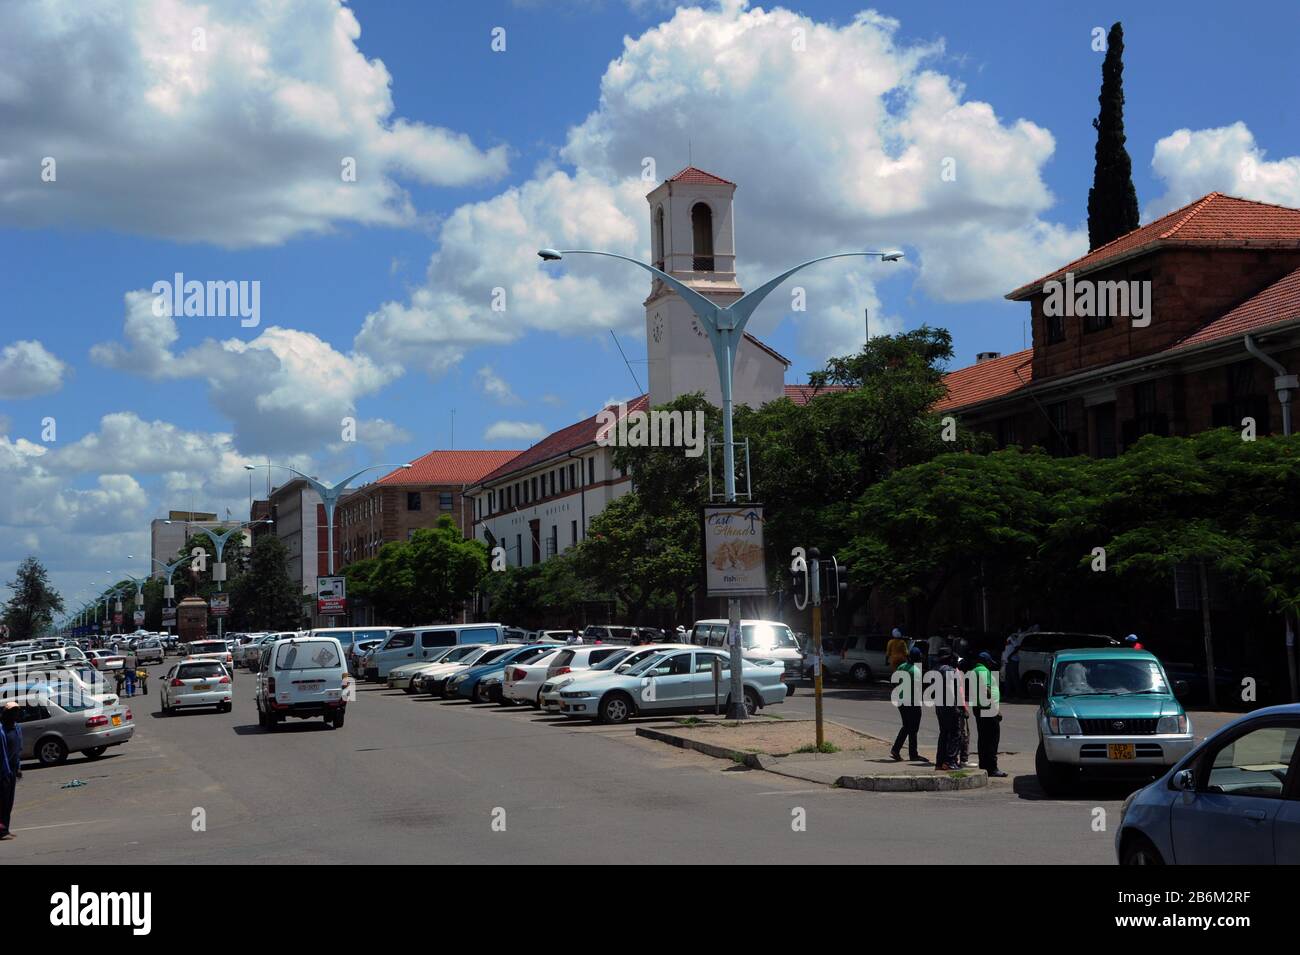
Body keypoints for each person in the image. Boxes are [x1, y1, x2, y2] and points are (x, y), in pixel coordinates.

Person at [971, 652, 1006, 777]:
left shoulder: (974, 671)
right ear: (986, 662)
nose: (991, 664)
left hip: (979, 708)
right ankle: (992, 767)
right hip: (987, 708)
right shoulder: (983, 671)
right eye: (990, 662)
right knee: (992, 739)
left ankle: (984, 764)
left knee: (983, 739)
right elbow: (986, 690)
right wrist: (995, 709)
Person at [890, 647, 927, 762]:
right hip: (911, 702)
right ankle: (913, 754)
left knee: (906, 726)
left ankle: (896, 749)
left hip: (901, 700)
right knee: (913, 728)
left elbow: (894, 681)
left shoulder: (901, 666)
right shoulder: (916, 670)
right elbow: (918, 688)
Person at [933, 648, 962, 770]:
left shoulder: (935, 670)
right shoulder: (950, 671)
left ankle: (940, 762)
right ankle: (950, 761)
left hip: (939, 706)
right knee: (955, 733)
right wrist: (956, 707)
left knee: (944, 733)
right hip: (949, 706)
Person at [0, 701, 22, 841]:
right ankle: (1, 832)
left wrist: (18, 767)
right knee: (2, 802)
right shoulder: (1, 730)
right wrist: (6, 772)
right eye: (11, 711)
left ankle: (6, 829)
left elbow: (18, 750)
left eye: (16, 711)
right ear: (5, 713)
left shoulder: (17, 728)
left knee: (9, 802)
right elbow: (2, 754)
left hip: (12, 770)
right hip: (3, 772)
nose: (14, 714)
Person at [1001, 632, 1024, 697]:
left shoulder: (1011, 637)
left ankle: (1019, 694)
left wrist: (1010, 656)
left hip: (1013, 660)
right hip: (1008, 661)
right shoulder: (1008, 639)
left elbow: (1017, 647)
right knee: (1008, 678)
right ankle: (1007, 694)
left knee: (1014, 678)